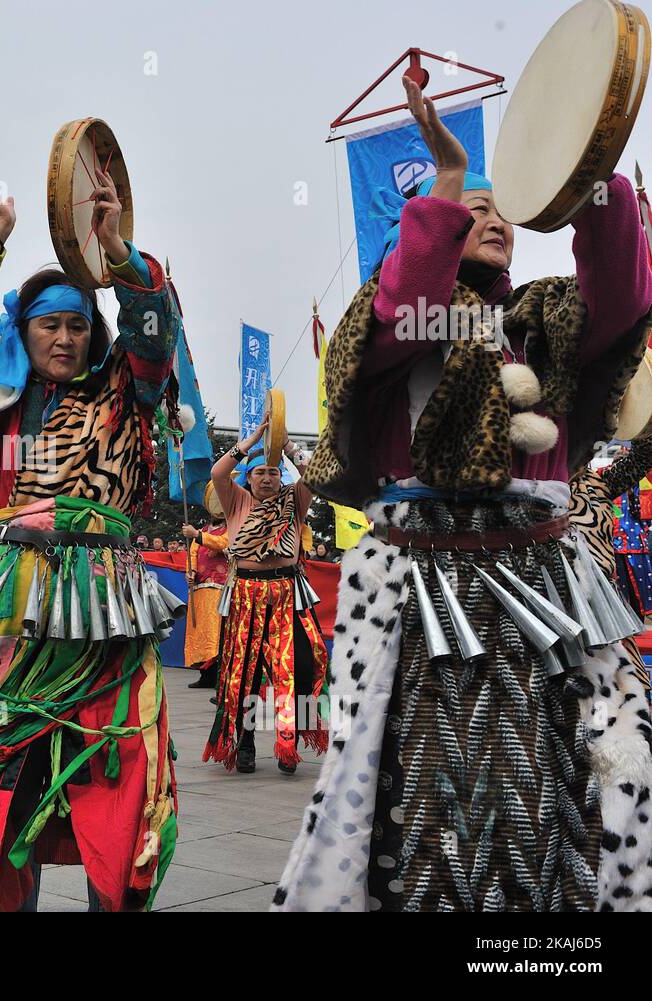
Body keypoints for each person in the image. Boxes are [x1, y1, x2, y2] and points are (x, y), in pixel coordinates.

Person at [276, 78, 652, 912]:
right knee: (438, 812)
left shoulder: (545, 324)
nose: (489, 218)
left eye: (499, 210)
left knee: (587, 788)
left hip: (549, 600)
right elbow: (409, 294)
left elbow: (624, 300)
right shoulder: (393, 329)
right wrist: (446, 176)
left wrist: (590, 171)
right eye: (469, 210)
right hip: (427, 601)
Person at [0, 164, 180, 911]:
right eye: (50, 324)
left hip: (109, 612)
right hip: (20, 612)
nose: (66, 339)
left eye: (78, 324)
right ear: (25, 330)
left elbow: (153, 329)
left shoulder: (126, 387)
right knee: (10, 790)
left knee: (121, 782)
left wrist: (118, 247)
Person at [202, 421, 328, 775]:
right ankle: (245, 742)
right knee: (244, 675)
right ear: (250, 477)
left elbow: (315, 474)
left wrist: (285, 444)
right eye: (260, 472)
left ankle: (291, 737)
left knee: (303, 664)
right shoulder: (236, 500)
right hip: (246, 596)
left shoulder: (295, 499)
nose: (267, 478)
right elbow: (218, 471)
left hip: (287, 595)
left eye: (273, 472)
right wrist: (254, 441)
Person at [569, 439, 652, 685]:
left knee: (622, 696)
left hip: (603, 610)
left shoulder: (596, 482)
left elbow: (643, 455)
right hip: (555, 608)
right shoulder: (533, 482)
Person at [183, 484, 229, 690]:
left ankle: (217, 675)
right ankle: (205, 674)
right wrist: (190, 572)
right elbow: (192, 553)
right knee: (199, 632)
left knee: (215, 632)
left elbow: (222, 544)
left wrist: (197, 535)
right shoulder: (201, 530)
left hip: (219, 586)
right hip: (199, 587)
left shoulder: (232, 527)